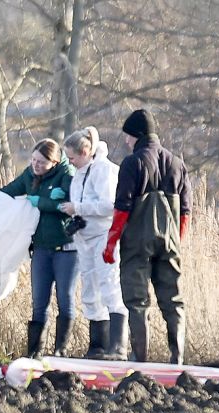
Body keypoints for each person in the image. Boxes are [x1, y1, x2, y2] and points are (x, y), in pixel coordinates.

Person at [103, 109, 191, 364]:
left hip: (137, 243)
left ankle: (139, 358)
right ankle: (177, 357)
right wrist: (176, 242)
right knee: (172, 299)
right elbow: (185, 212)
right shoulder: (177, 163)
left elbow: (122, 208)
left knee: (137, 301)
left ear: (137, 136)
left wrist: (111, 244)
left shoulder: (132, 163)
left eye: (128, 137)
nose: (127, 142)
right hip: (170, 241)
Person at [0, 138, 77, 358]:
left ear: (53, 161)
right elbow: (9, 191)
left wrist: (41, 202)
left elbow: (69, 208)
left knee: (65, 298)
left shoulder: (67, 175)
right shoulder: (29, 175)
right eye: (33, 160)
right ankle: (34, 352)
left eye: (41, 162)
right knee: (39, 301)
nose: (36, 165)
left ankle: (60, 351)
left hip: (66, 249)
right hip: (41, 249)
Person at [58, 127, 129, 359]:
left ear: (86, 151)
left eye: (73, 157)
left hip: (103, 236)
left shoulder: (104, 171)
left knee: (109, 285)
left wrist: (78, 208)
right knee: (90, 290)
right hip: (84, 237)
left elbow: (109, 205)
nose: (70, 162)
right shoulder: (79, 173)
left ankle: (118, 346)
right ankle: (97, 345)